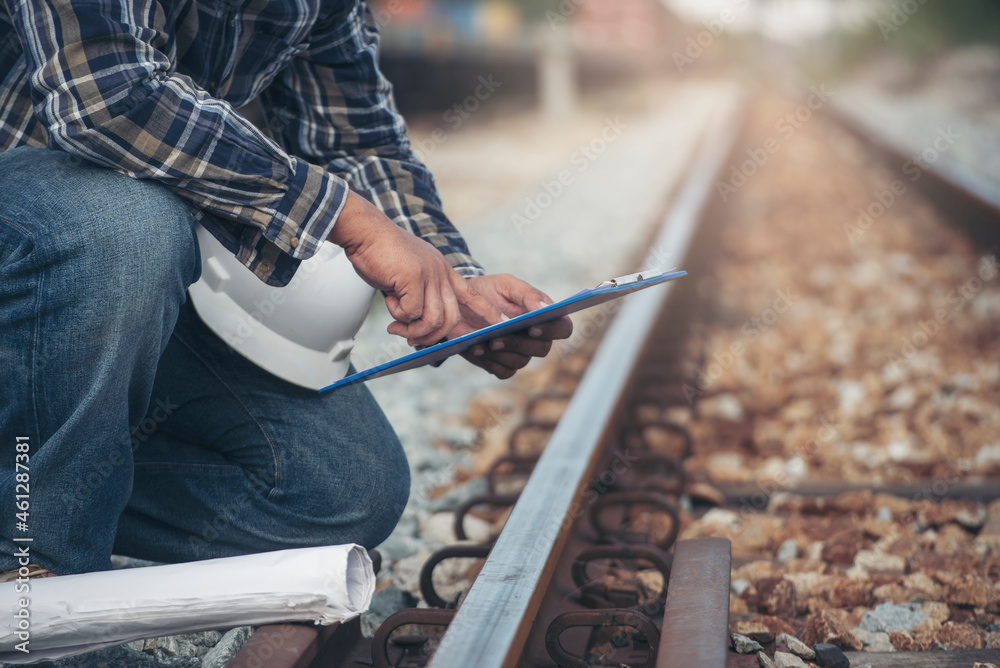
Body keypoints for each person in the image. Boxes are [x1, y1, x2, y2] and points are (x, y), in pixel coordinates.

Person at [0, 0, 571, 580]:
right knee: (125, 223)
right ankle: (31, 564)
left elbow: (357, 143)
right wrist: (352, 221)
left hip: (118, 282)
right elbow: (108, 99)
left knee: (340, 493)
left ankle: (27, 490)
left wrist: (452, 287)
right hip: (39, 238)